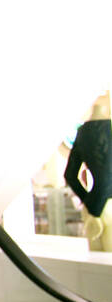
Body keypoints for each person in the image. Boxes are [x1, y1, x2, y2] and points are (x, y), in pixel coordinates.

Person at [64, 94, 112, 251]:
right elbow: (107, 178)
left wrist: (89, 204)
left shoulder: (82, 132)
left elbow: (70, 175)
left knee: (96, 265)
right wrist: (96, 211)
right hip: (106, 206)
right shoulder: (108, 130)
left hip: (92, 205)